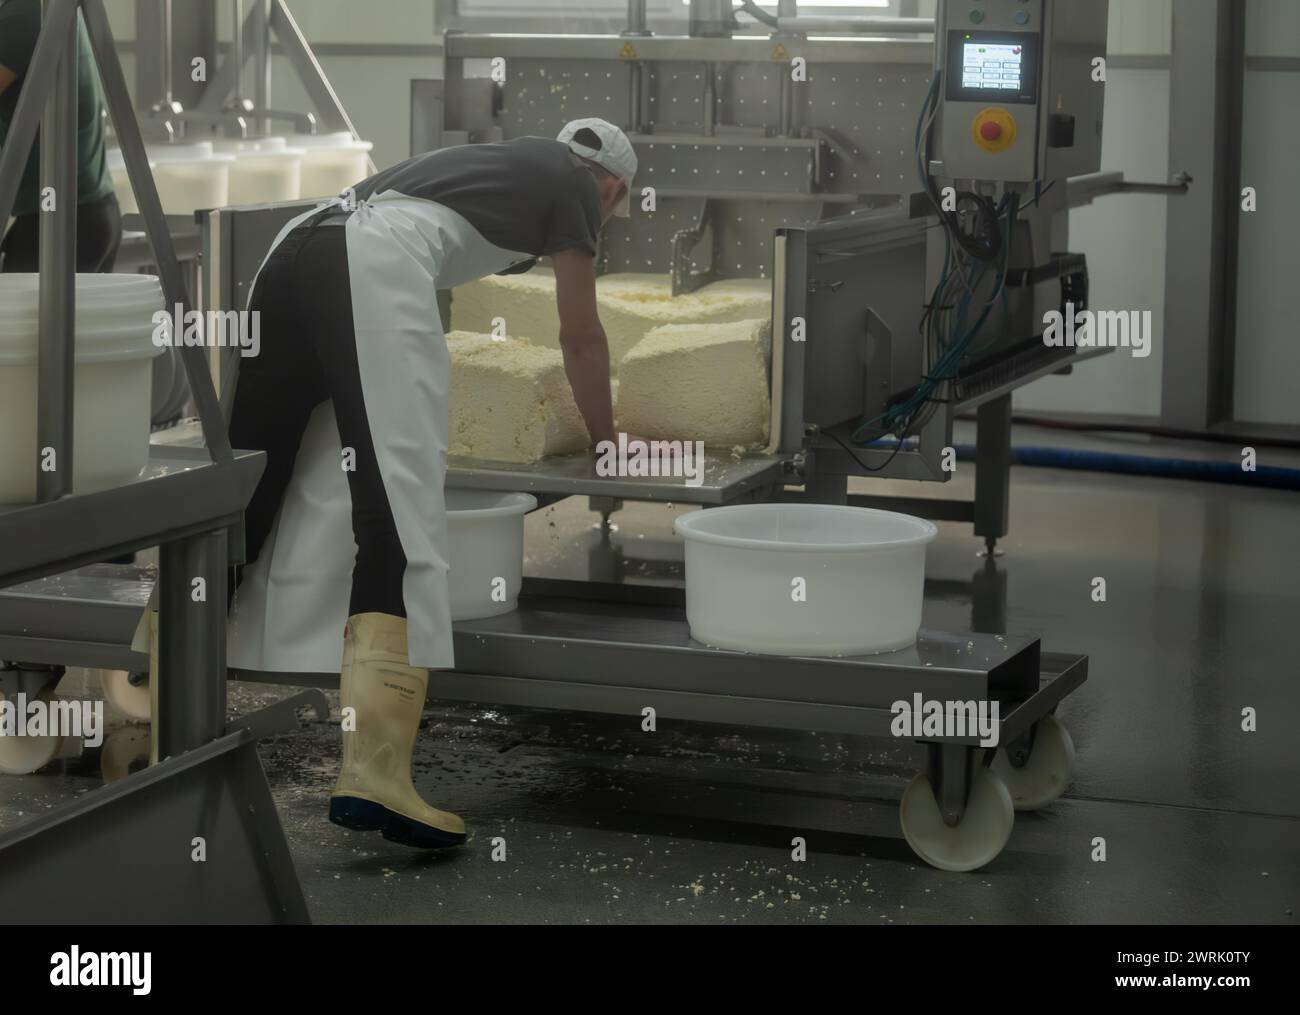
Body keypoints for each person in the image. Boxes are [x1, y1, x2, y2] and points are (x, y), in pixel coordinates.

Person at [225, 118, 638, 849]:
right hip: (369, 261)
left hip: (295, 247)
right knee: (400, 504)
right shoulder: (579, 186)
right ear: (612, 185)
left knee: (251, 487)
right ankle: (375, 771)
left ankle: (165, 699)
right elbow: (581, 332)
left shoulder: (503, 162)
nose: (604, 222)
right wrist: (611, 443)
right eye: (616, 208)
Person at [0, 0, 120, 272]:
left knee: (25, 315)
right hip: (85, 215)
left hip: (58, 223)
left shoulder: (24, 14)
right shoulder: (43, 7)